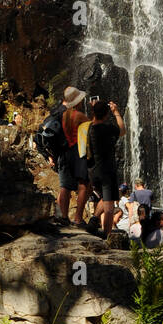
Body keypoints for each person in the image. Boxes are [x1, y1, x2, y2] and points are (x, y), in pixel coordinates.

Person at [85, 98, 126, 236]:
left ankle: (94, 219)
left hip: (93, 171)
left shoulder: (90, 127)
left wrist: (94, 108)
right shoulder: (108, 128)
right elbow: (122, 130)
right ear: (107, 115)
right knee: (109, 206)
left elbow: (94, 119)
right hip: (107, 171)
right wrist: (116, 112)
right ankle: (106, 235)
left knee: (103, 197)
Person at [56, 86, 91, 227]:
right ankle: (78, 218)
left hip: (65, 151)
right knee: (84, 184)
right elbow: (92, 128)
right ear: (77, 102)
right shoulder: (79, 116)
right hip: (78, 151)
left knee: (65, 186)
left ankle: (64, 217)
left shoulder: (63, 115)